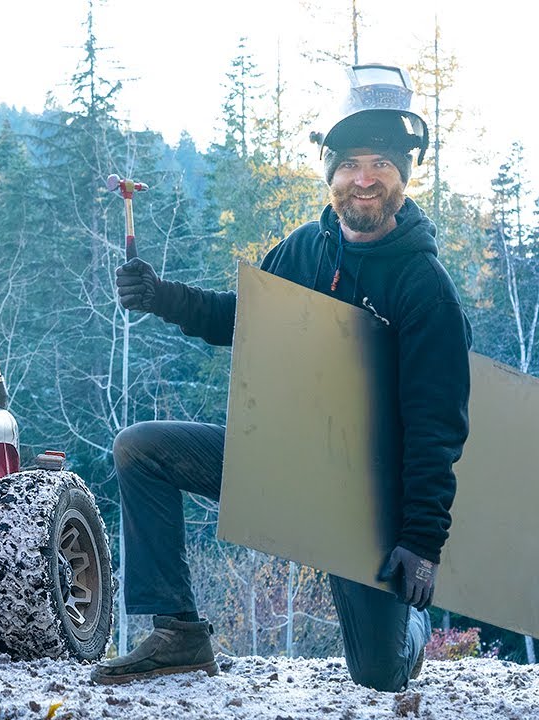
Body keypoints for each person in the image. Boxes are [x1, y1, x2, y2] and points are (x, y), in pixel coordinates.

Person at [89, 64, 471, 692]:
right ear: (331, 174)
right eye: (349, 163)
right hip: (288, 460)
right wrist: (160, 295)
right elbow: (240, 319)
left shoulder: (423, 287)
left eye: (380, 162)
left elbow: (437, 423)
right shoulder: (303, 249)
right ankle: (179, 634)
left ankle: (414, 629)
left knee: (378, 675)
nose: (364, 178)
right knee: (142, 450)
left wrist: (422, 541)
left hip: (366, 499)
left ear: (404, 173)